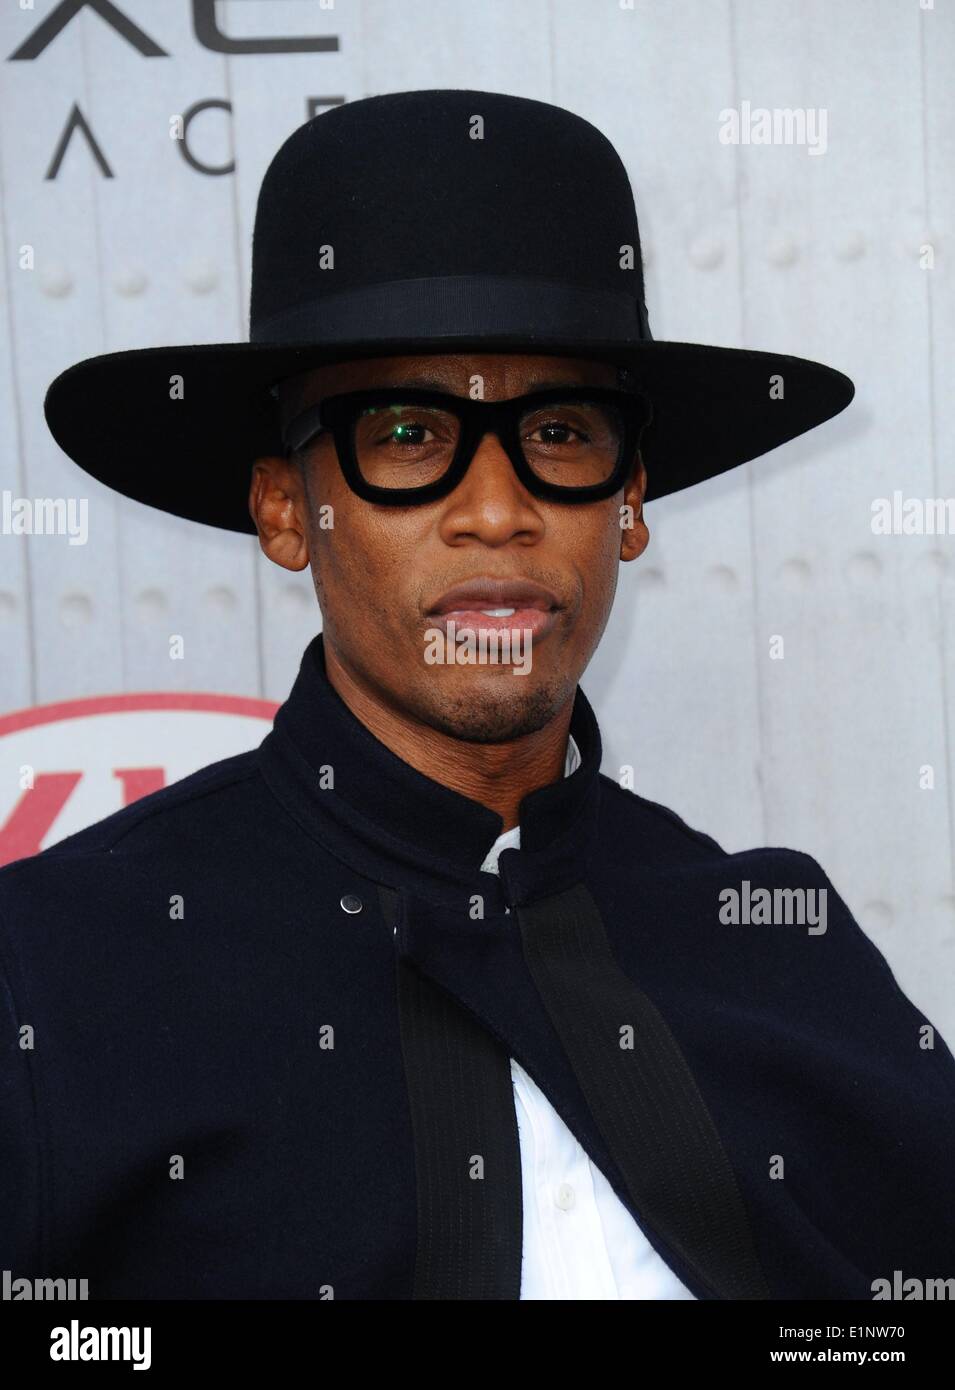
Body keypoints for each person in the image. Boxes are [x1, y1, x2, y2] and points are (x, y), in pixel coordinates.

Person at [2, 89, 952, 1301]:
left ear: (629, 503)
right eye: (406, 433)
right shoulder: (60, 972)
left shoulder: (779, 947)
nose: (497, 509)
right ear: (287, 509)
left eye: (558, 432)